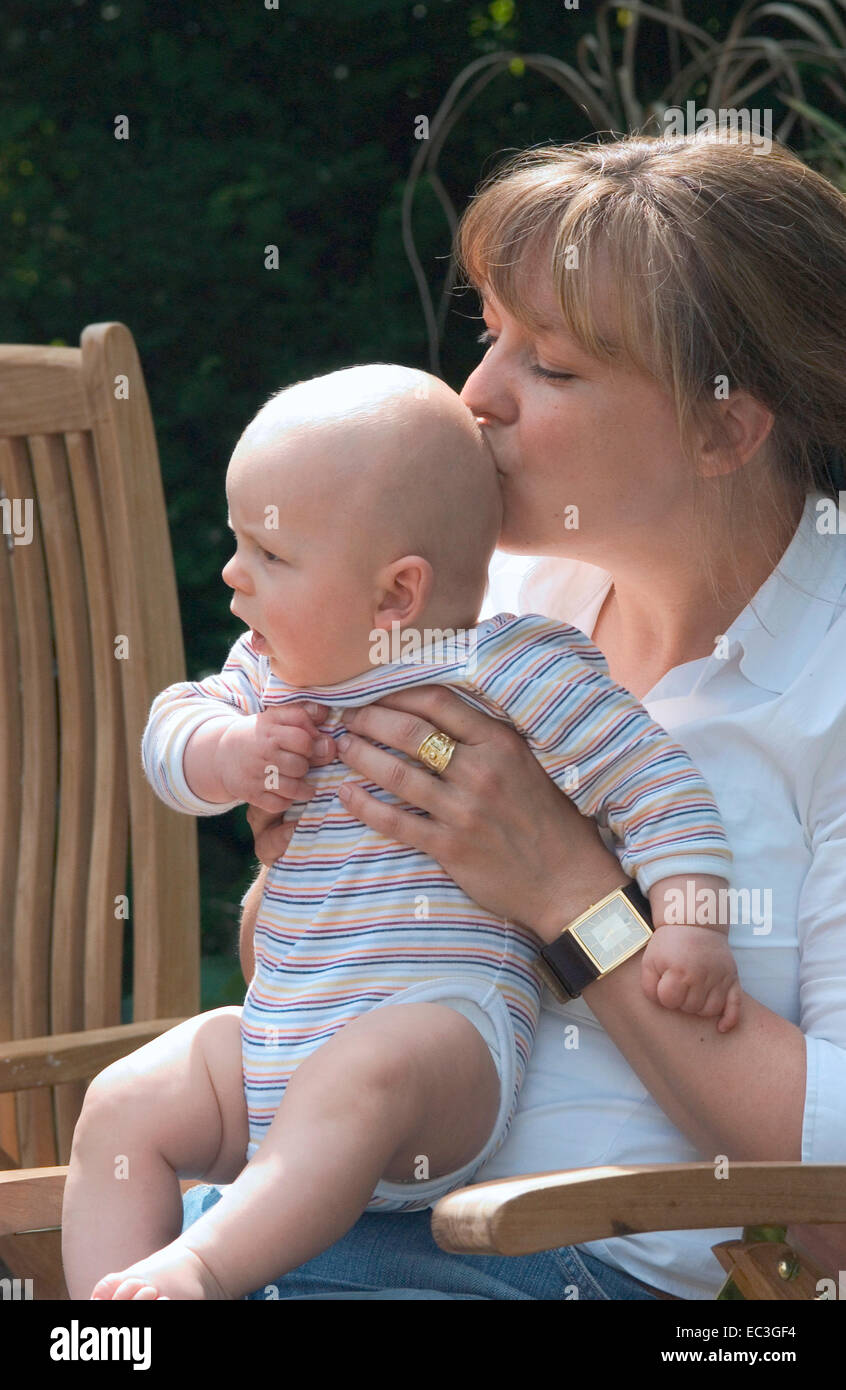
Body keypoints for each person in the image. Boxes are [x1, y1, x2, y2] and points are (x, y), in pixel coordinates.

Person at [185, 124, 846, 1302]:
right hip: (332, 1219)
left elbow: (837, 1216)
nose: (474, 397)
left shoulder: (831, 691)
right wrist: (295, 869)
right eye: (490, 338)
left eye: (552, 366)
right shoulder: (487, 611)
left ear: (727, 426)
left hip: (561, 1268)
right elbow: (287, 973)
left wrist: (568, 896)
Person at [61, 363, 736, 1301]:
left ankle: (199, 1269)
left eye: (270, 553)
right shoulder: (272, 673)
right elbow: (168, 733)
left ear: (395, 598)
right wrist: (231, 752)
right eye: (237, 541)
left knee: (359, 1076)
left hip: (440, 1048)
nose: (231, 573)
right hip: (283, 1039)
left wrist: (691, 919)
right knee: (126, 1098)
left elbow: (656, 784)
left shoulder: (507, 669)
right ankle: (114, 1323)